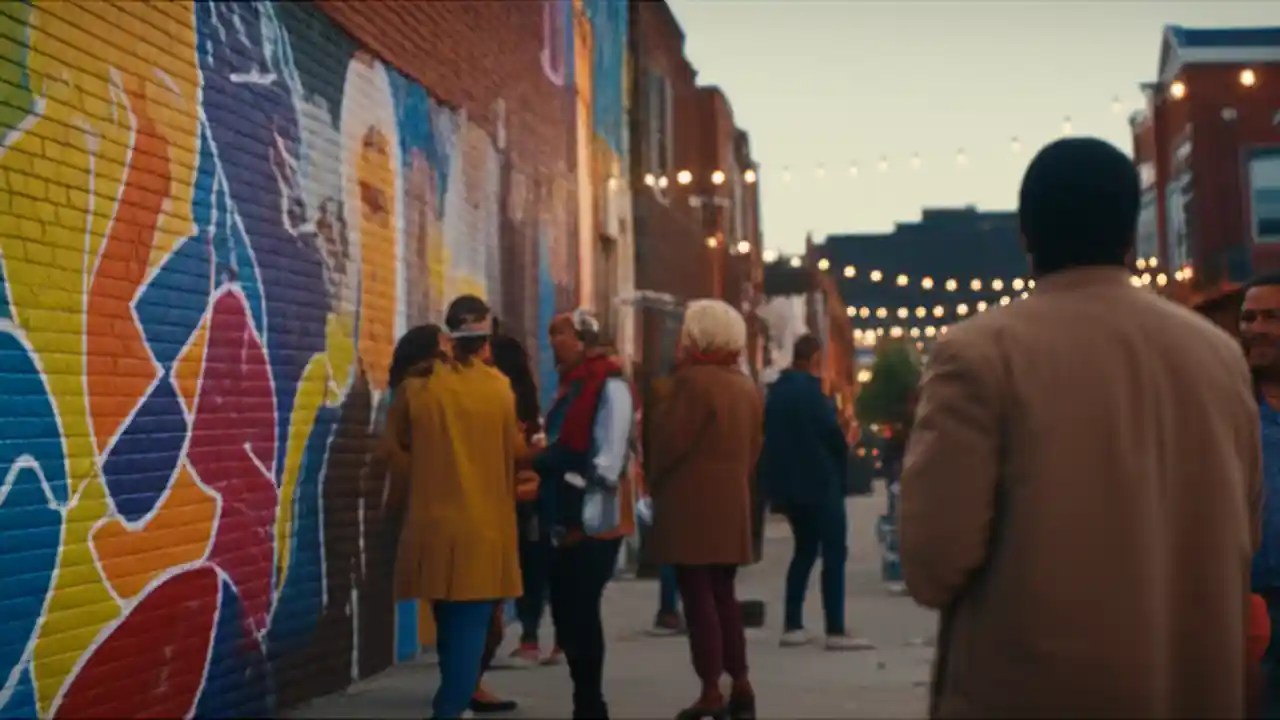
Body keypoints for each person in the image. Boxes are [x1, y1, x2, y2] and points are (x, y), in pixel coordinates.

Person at [900, 137, 1260, 718]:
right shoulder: (1218, 354)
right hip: (1190, 686)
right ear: (1129, 232)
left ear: (1026, 233)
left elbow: (933, 561)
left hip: (1034, 688)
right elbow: (1246, 526)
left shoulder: (978, 353)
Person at [388, 295, 526, 719]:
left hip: (432, 526)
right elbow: (514, 450)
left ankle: (450, 706)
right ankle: (448, 710)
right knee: (469, 631)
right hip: (484, 527)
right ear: (486, 341)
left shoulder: (417, 389)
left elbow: (392, 450)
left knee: (449, 627)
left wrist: (428, 476)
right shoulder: (499, 390)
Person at [648, 299, 763, 719]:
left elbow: (666, 445)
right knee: (725, 597)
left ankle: (711, 688)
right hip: (731, 505)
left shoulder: (691, 383)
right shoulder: (744, 385)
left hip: (690, 506)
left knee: (698, 600)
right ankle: (742, 681)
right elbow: (754, 450)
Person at [534, 309, 635, 719]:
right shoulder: (572, 386)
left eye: (562, 334)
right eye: (552, 333)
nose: (554, 342)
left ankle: (590, 703)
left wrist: (548, 460)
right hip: (563, 514)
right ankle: (585, 698)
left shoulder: (609, 385)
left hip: (593, 519)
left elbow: (608, 458)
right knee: (564, 610)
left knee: (580, 609)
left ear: (584, 340)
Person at [758, 334, 873, 651]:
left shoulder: (776, 394)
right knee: (834, 553)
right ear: (814, 359)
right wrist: (846, 441)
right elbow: (832, 438)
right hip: (821, 485)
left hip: (789, 488)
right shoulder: (813, 395)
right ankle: (834, 628)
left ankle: (792, 624)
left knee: (804, 551)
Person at [469, 327, 546, 713]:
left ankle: (472, 679)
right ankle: (471, 679)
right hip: (506, 505)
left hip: (494, 505)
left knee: (484, 598)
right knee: (492, 596)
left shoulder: (495, 396)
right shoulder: (514, 400)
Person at [1239, 275, 1280, 715]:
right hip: (1248, 610)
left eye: (1272, 317)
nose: (1257, 328)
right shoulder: (1226, 405)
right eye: (1248, 317)